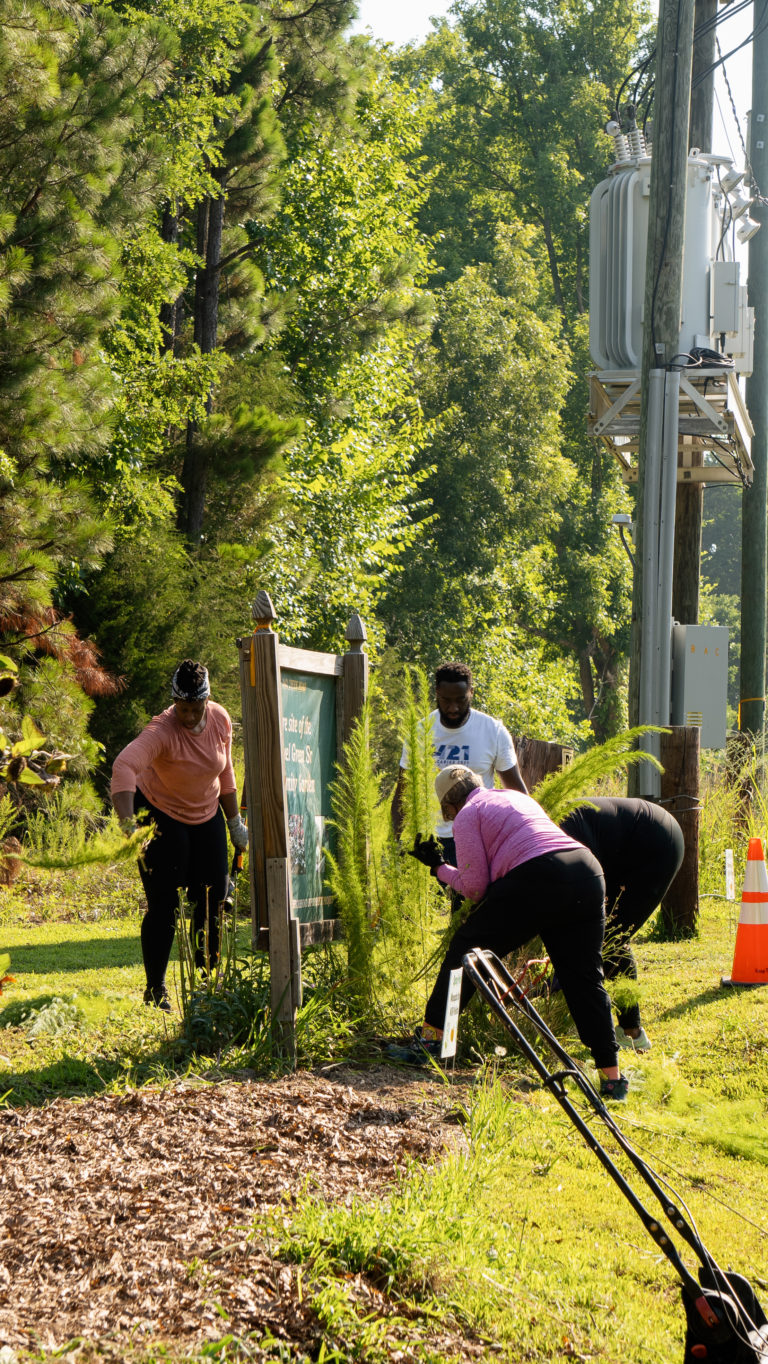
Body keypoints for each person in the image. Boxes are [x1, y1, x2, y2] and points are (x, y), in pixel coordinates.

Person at [390, 765, 627, 1101]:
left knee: (465, 949)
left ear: (448, 806)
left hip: (541, 876)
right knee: (584, 978)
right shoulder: (512, 796)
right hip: (586, 871)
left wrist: (438, 868)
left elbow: (475, 888)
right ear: (477, 783)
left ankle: (432, 1042)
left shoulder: (467, 815)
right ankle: (612, 1078)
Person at [111, 659, 248, 1010]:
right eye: (182, 708)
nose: (189, 716)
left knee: (212, 900)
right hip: (161, 813)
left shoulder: (219, 718)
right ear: (175, 703)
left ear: (207, 700)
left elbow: (226, 773)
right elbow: (124, 766)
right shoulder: (162, 730)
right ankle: (155, 990)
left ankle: (207, 988)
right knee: (165, 906)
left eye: (195, 708)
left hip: (206, 812)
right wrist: (128, 826)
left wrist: (235, 825)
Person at [559, 797, 684, 1051]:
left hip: (656, 844)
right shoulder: (546, 833)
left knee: (609, 939)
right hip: (624, 850)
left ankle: (630, 1033)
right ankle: (629, 1030)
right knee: (608, 937)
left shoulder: (554, 839)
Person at [392, 661, 527, 868]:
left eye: (460, 700)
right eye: (446, 700)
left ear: (471, 693)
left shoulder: (493, 731)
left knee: (473, 899)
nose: (453, 708)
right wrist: (396, 843)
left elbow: (516, 792)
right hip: (430, 841)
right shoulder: (419, 731)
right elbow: (403, 790)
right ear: (437, 693)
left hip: (479, 839)